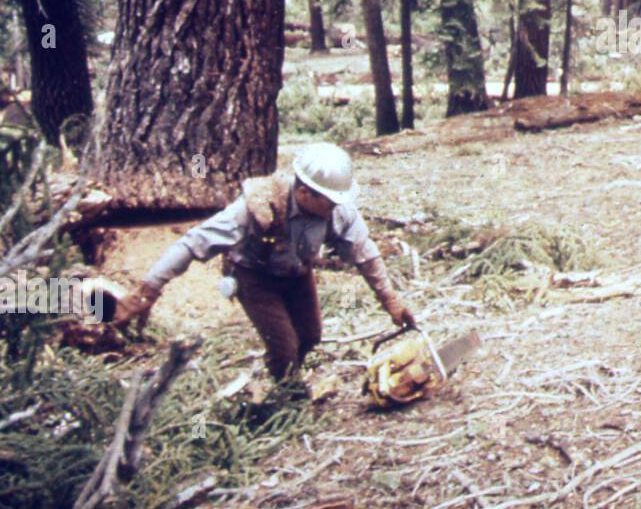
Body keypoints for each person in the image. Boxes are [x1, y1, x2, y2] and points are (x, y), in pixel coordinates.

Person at [116, 142, 416, 382]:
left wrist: (390, 301)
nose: (336, 207)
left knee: (310, 337)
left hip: (298, 274)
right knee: (285, 349)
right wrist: (149, 289)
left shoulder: (336, 209)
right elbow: (193, 243)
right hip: (255, 278)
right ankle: (285, 392)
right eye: (329, 200)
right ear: (303, 193)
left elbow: (365, 253)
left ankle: (286, 377)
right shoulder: (256, 207)